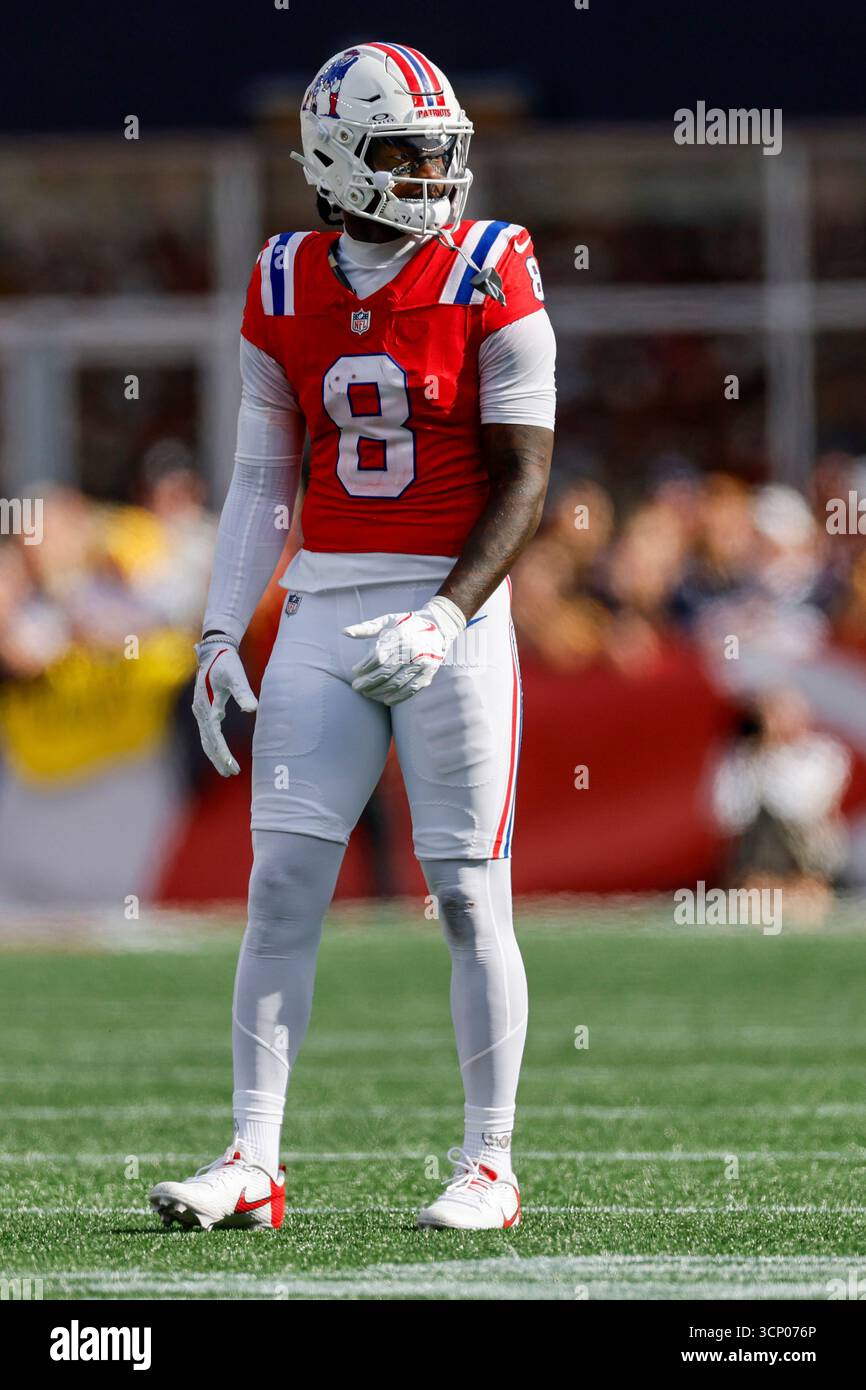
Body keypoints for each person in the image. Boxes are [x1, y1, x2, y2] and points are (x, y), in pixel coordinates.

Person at [149, 42, 555, 1232]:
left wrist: (444, 612)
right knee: (280, 884)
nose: (433, 175)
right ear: (334, 161)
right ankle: (253, 1160)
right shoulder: (281, 280)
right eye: (403, 153)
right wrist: (222, 629)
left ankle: (489, 1164)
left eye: (443, 151)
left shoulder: (494, 267)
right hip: (325, 606)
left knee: (471, 892)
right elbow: (262, 474)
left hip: (454, 609)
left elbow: (524, 480)